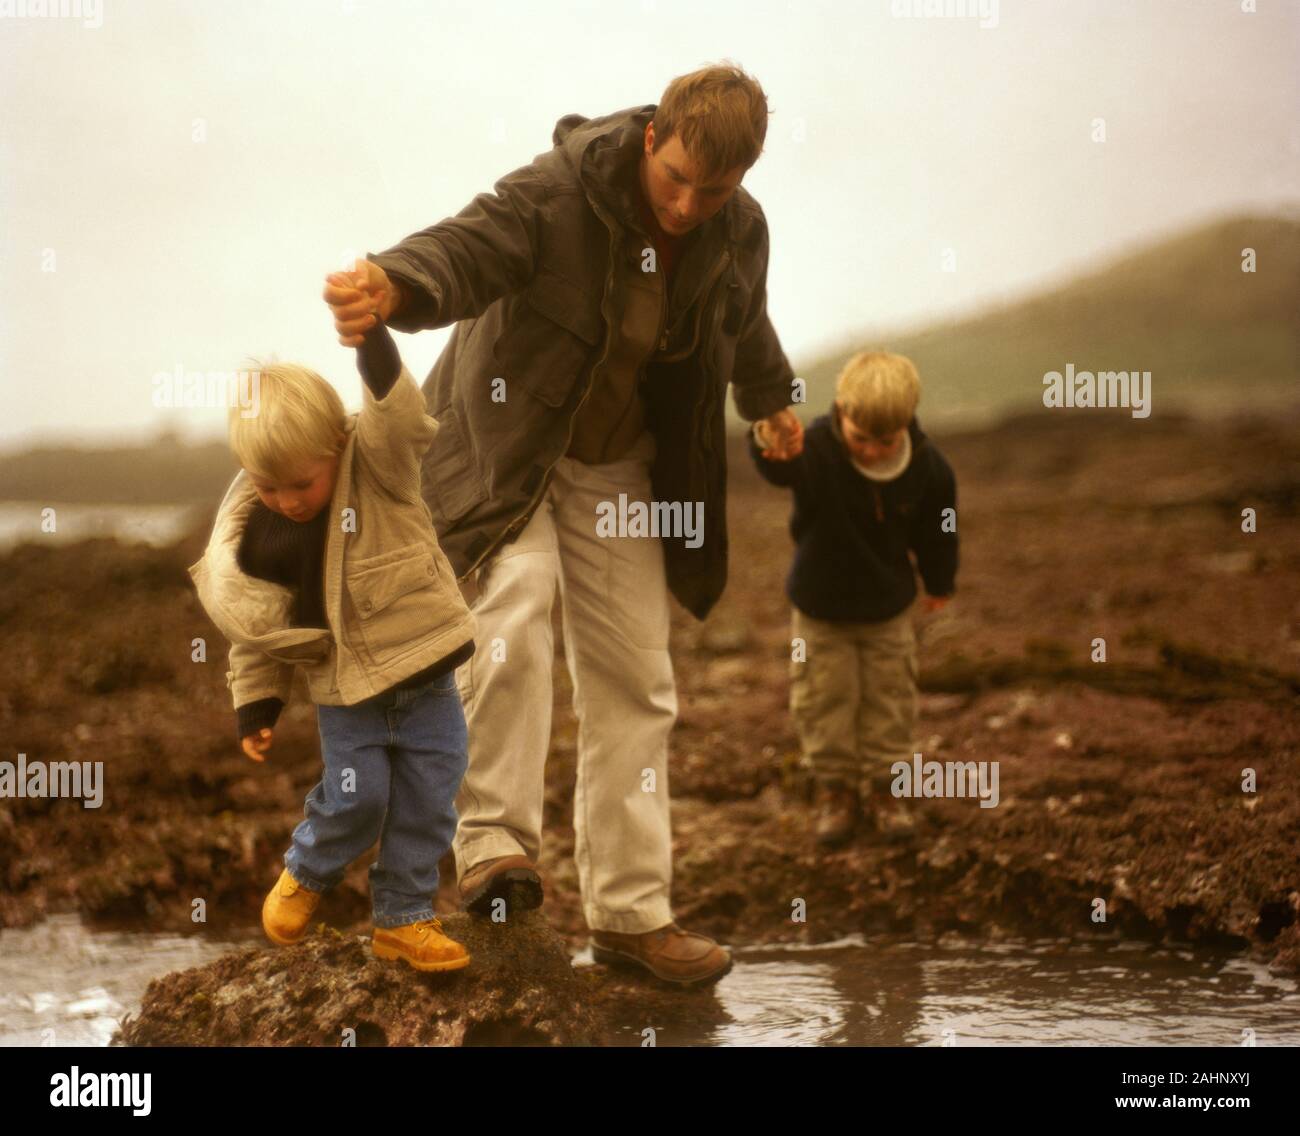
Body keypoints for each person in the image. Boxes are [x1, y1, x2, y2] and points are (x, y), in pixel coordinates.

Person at [323, 62, 803, 986]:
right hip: (509, 446)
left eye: (715, 191)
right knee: (515, 608)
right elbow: (467, 249)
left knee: (638, 675)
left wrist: (772, 399)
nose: (687, 205)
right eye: (676, 180)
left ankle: (631, 916)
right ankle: (494, 853)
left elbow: (746, 319)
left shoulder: (737, 229)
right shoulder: (556, 194)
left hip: (622, 464)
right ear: (653, 136)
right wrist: (393, 281)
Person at [187, 314, 477, 972]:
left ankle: (405, 919)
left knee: (431, 801)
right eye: (268, 486)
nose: (286, 501)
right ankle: (308, 871)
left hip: (426, 678)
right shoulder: (259, 536)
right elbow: (258, 630)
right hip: (346, 695)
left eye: (301, 483)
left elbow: (400, 414)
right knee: (359, 796)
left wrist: (373, 341)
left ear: (338, 448)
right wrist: (256, 706)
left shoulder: (379, 470)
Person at [749, 350, 959, 846]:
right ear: (842, 413)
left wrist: (940, 582)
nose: (871, 451)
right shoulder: (817, 449)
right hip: (820, 609)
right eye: (861, 439)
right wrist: (767, 440)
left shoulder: (930, 468)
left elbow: (938, 531)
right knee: (825, 697)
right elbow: (779, 468)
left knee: (891, 695)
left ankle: (888, 788)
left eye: (885, 442)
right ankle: (835, 790)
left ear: (906, 424)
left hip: (888, 608)